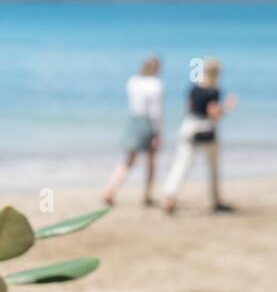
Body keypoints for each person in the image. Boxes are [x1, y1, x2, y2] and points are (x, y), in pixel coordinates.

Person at [162, 57, 238, 214]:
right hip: (207, 128)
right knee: (213, 166)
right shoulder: (214, 91)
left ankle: (169, 196)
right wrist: (227, 107)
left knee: (182, 163)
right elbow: (213, 114)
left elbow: (189, 107)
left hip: (189, 126)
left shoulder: (194, 88)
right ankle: (216, 199)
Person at [100, 55, 163, 207]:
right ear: (156, 68)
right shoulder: (155, 84)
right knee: (151, 161)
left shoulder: (133, 81)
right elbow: (156, 111)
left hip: (133, 120)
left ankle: (110, 189)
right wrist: (158, 132)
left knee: (129, 160)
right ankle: (147, 195)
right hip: (147, 123)